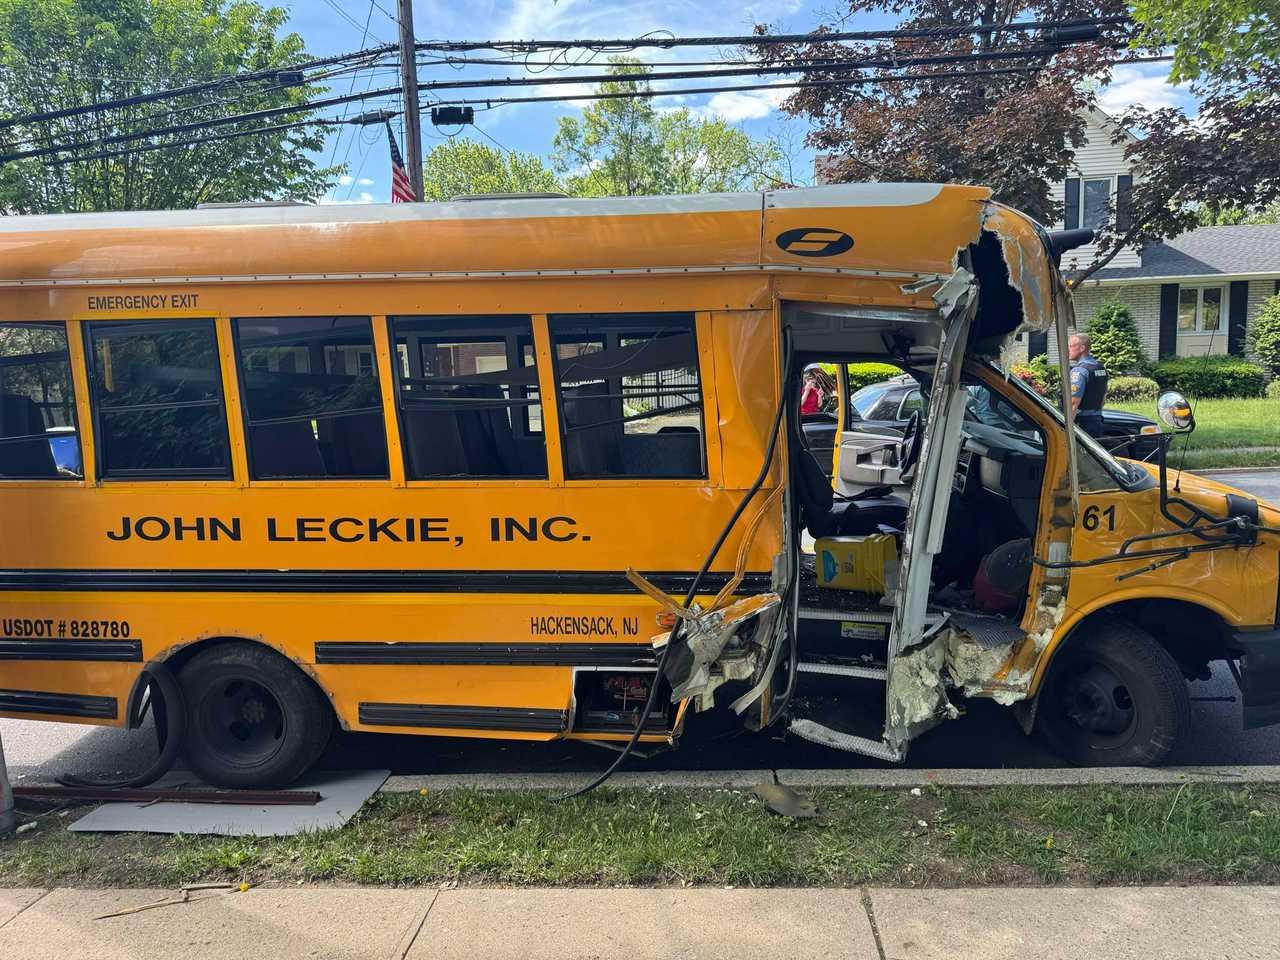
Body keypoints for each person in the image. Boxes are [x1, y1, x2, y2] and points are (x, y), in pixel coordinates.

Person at [1068, 332, 1108, 438]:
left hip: (1082, 423)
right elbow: (1103, 398)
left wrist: (1066, 426)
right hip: (1097, 421)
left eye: (1071, 346)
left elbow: (1073, 403)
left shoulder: (1079, 371)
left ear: (1082, 348)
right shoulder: (1101, 368)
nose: (1068, 349)